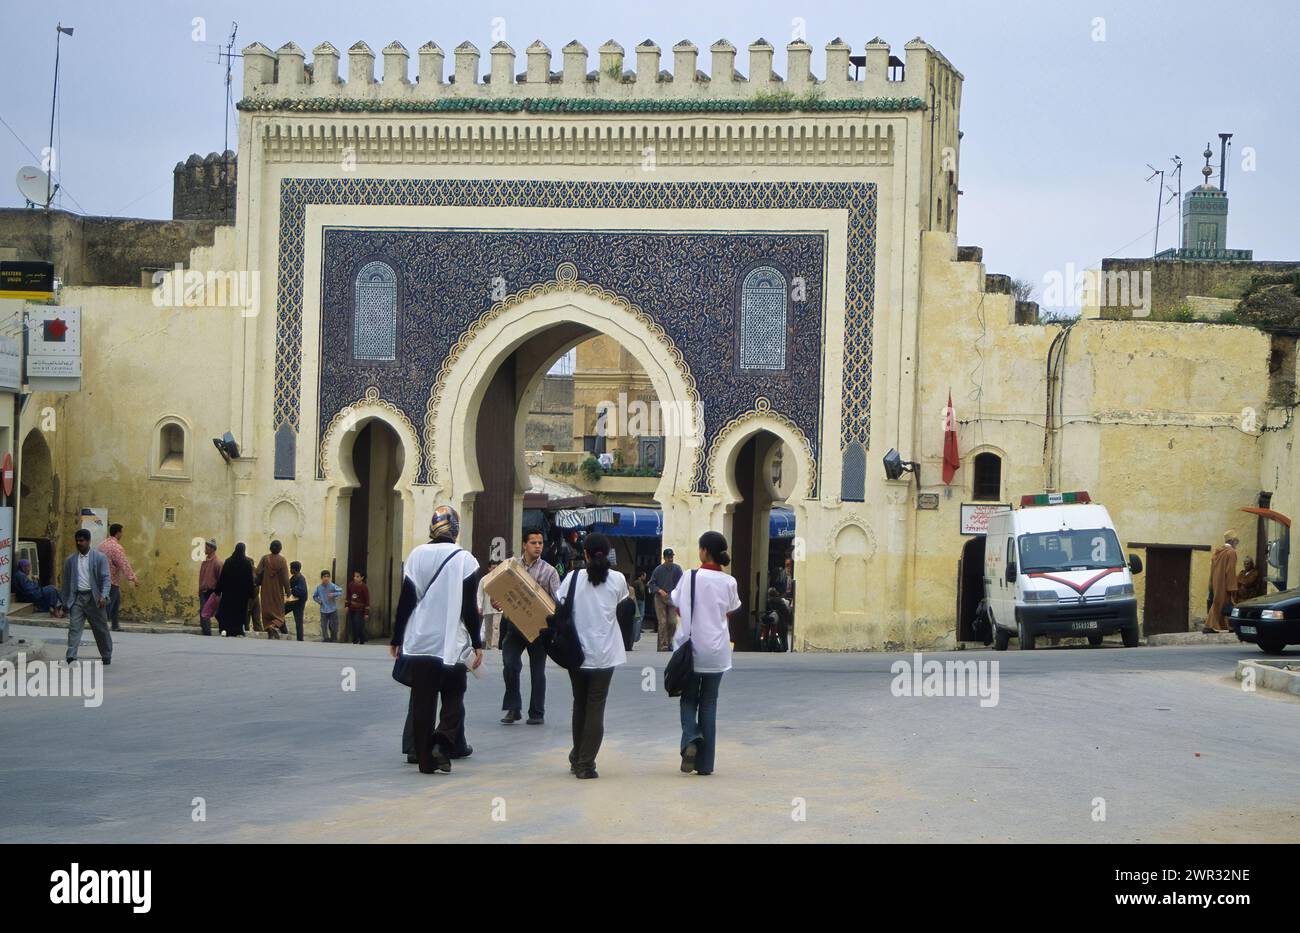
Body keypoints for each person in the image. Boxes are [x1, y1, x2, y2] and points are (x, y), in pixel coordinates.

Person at [391, 505, 483, 775]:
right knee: (454, 694)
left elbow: (405, 601)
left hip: (420, 642)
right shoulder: (465, 559)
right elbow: (469, 608)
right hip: (451, 644)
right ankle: (442, 744)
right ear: (455, 529)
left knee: (422, 700)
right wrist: (477, 643)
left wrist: (397, 638)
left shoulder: (416, 555)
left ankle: (424, 761)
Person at [557, 533, 626, 779]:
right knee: (596, 706)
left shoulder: (572, 578)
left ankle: (578, 756)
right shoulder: (617, 580)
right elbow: (621, 605)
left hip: (577, 653)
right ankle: (585, 762)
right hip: (606, 654)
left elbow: (559, 606)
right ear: (607, 553)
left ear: (584, 553)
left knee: (580, 704)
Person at [671, 531, 741, 776]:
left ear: (704, 551)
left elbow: (677, 605)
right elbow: (729, 612)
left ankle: (690, 738)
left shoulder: (690, 577)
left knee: (689, 698)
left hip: (692, 650)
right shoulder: (729, 582)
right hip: (718, 651)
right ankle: (705, 764)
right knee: (709, 703)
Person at [500, 529, 561, 725]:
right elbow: (502, 593)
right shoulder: (512, 567)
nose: (537, 546)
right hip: (514, 626)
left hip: (539, 629)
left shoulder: (549, 571)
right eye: (533, 542)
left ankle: (536, 713)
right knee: (510, 665)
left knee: (538, 671)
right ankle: (513, 708)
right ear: (524, 545)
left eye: (540, 543)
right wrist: (498, 602)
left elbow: (557, 600)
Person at [60, 529, 113, 664]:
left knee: (100, 629)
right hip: (77, 598)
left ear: (89, 541)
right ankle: (71, 655)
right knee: (74, 628)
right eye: (77, 540)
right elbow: (66, 583)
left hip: (94, 599)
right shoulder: (70, 560)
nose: (79, 543)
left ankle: (106, 654)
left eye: (82, 540)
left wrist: (104, 595)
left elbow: (106, 578)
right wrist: (65, 603)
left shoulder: (99, 558)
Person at [97, 523, 139, 632]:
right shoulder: (116, 547)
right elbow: (123, 563)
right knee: (109, 604)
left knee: (115, 602)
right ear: (118, 533)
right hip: (112, 581)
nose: (122, 534)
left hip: (101, 579)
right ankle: (102, 626)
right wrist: (133, 577)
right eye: (121, 532)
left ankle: (115, 625)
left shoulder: (102, 545)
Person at [214, 543, 255, 638]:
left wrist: (218, 590)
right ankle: (238, 631)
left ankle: (225, 629)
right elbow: (250, 580)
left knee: (227, 611)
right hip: (241, 595)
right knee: (239, 612)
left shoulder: (228, 561)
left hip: (228, 593)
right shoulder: (247, 563)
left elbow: (222, 577)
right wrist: (251, 594)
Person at [649, 547, 684, 651]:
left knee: (673, 622)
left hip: (672, 598)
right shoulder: (658, 569)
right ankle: (663, 645)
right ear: (664, 558)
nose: (670, 559)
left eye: (671, 557)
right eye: (668, 557)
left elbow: (681, 583)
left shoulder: (677, 569)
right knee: (662, 622)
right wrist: (659, 590)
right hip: (660, 598)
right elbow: (651, 583)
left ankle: (670, 641)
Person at [1205, 530, 1239, 634]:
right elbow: (1230, 570)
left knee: (1222, 603)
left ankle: (1230, 626)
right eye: (1236, 542)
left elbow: (1212, 568)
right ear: (1232, 541)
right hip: (1225, 583)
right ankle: (1209, 625)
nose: (1237, 544)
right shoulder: (1231, 552)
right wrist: (1233, 587)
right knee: (1223, 603)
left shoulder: (1218, 551)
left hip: (1216, 582)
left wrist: (1211, 583)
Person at [197, 538, 222, 636]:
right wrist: (199, 589)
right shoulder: (205, 562)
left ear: (212, 548)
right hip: (204, 591)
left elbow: (220, 579)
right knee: (204, 612)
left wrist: (218, 592)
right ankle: (206, 632)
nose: (205, 549)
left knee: (218, 613)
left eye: (207, 547)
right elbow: (201, 577)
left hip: (213, 592)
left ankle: (224, 628)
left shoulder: (217, 563)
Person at [478, 559, 502, 649]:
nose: (494, 569)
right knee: (488, 628)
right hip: (487, 607)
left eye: (496, 568)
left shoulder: (500, 578)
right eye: (493, 568)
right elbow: (479, 594)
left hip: (498, 608)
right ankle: (488, 645)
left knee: (496, 627)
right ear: (489, 568)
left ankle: (494, 645)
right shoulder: (484, 580)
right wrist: (479, 606)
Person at [313, 571, 343, 642]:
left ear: (329, 578)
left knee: (334, 625)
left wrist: (333, 594)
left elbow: (340, 591)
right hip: (323, 609)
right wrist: (318, 601)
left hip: (332, 609)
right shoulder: (319, 588)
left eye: (327, 577)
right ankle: (326, 638)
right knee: (323, 625)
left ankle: (334, 638)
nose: (326, 578)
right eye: (324, 577)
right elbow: (314, 596)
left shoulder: (332, 586)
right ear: (321, 578)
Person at [762, 587, 793, 652]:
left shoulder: (769, 601)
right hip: (780, 620)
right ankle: (783, 647)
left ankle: (772, 646)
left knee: (775, 632)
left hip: (774, 620)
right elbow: (786, 611)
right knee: (782, 634)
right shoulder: (780, 601)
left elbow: (767, 610)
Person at [286, 561, 308, 641]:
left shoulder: (301, 579)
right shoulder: (293, 578)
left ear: (294, 569)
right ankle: (284, 631)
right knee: (280, 612)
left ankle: (300, 639)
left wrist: (292, 590)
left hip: (299, 603)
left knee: (298, 621)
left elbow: (302, 592)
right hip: (292, 602)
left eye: (291, 568)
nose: (290, 570)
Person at [346, 570, 370, 644]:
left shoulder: (364, 587)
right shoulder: (350, 585)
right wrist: (346, 606)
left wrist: (366, 613)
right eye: (354, 576)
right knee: (353, 624)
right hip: (352, 608)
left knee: (358, 623)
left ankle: (362, 638)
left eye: (357, 576)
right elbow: (348, 596)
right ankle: (355, 639)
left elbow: (367, 600)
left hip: (360, 609)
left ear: (362, 578)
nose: (355, 578)